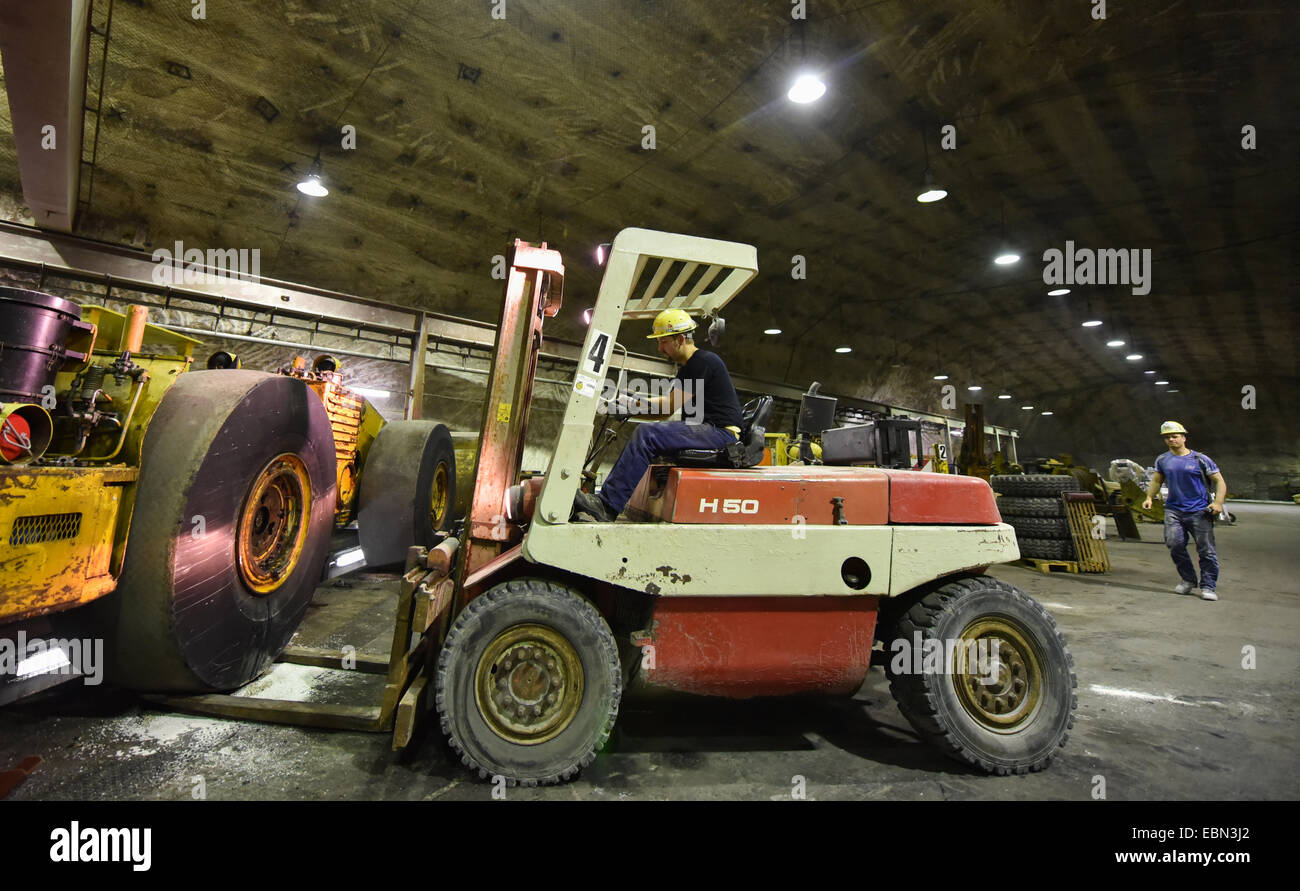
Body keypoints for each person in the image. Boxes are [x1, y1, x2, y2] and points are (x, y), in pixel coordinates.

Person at [572, 308, 742, 522]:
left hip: (721, 434)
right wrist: (629, 408)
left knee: (647, 434)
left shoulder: (703, 362)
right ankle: (611, 501)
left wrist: (633, 404)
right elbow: (665, 413)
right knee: (648, 433)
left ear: (680, 339)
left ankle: (606, 506)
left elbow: (669, 405)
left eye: (663, 342)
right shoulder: (688, 369)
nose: (659, 348)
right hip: (710, 431)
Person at [1141, 421, 1227, 601]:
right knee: (1174, 544)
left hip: (1199, 511)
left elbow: (1219, 481)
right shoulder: (1163, 460)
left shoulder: (1200, 459)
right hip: (1174, 510)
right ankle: (1188, 580)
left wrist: (1218, 503)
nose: (1171, 439)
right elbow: (1157, 480)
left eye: (1174, 436)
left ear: (1183, 438)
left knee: (1206, 550)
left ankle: (1208, 586)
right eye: (1167, 437)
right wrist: (1149, 497)